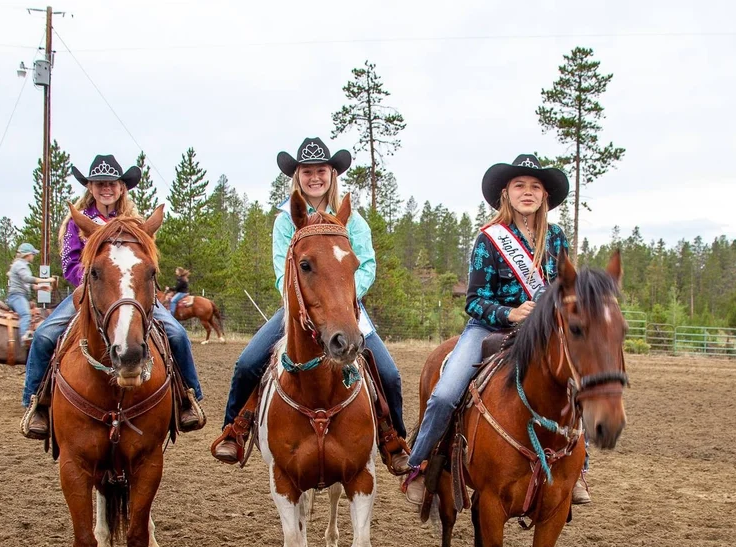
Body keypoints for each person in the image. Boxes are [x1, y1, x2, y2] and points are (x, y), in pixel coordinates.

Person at [210, 137, 411, 476]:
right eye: (307, 171)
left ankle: (394, 440)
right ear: (297, 176)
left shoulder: (354, 221)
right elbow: (280, 272)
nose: (314, 177)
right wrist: (301, 303)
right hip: (298, 307)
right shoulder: (285, 221)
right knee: (247, 363)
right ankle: (235, 429)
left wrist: (342, 301)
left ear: (332, 174)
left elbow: (367, 267)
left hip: (348, 309)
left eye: (321, 170)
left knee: (388, 373)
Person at [403, 153, 592, 506]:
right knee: (445, 394)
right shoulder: (489, 239)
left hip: (545, 332)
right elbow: (474, 300)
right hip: (488, 328)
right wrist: (510, 313)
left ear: (544, 197)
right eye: (519, 185)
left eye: (535, 187)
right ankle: (419, 465)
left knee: (582, 382)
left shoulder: (556, 239)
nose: (527, 192)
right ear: (505, 193)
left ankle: (578, 469)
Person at [20, 154, 204, 439]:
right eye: (99, 183)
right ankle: (36, 404)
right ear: (90, 188)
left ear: (121, 188)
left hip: (132, 293)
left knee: (177, 334)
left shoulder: (135, 223)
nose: (106, 188)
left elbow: (145, 263)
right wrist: (96, 284)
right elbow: (70, 263)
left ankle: (187, 398)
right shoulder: (77, 223)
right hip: (91, 292)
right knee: (44, 335)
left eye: (112, 183)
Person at [6, 242, 54, 343]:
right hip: (17, 296)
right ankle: (25, 337)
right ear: (27, 255)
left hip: (20, 296)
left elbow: (25, 283)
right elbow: (27, 278)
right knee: (25, 314)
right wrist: (47, 280)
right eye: (33, 254)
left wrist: (40, 287)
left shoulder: (22, 265)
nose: (33, 256)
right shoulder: (19, 265)